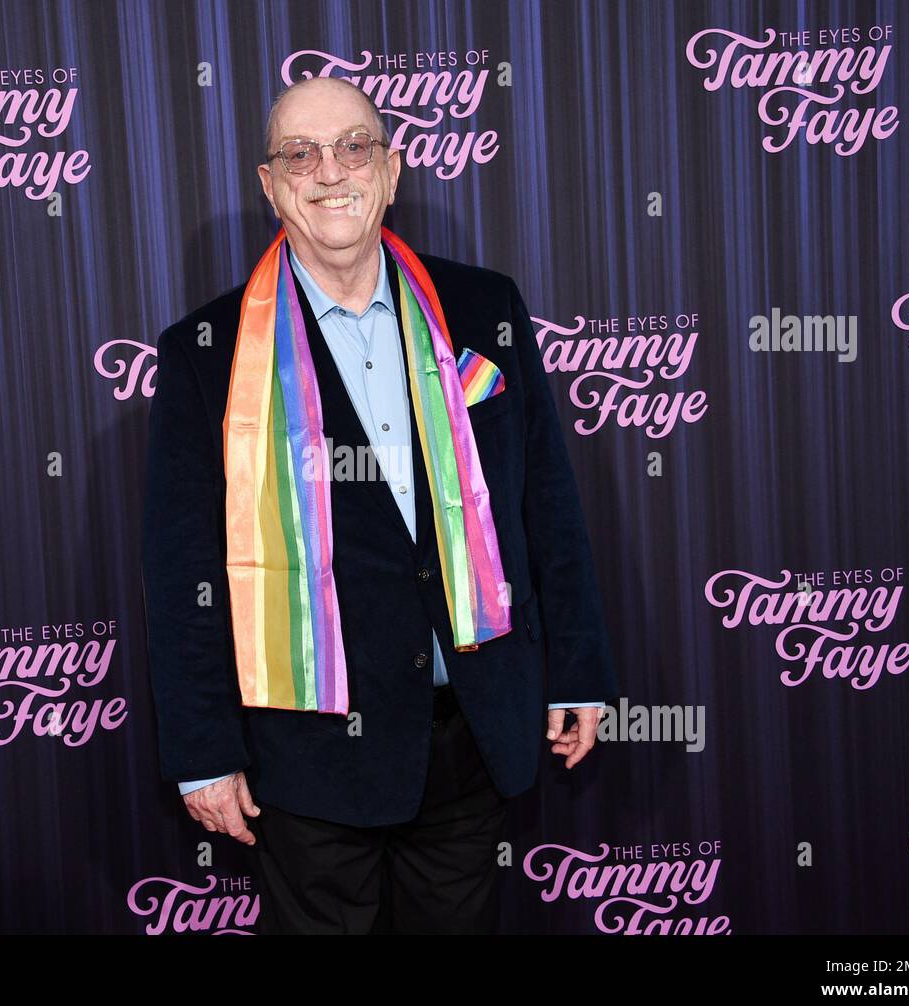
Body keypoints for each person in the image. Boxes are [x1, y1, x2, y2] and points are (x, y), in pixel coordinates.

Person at [141, 76, 617, 934]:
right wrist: (202, 751)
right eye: (301, 153)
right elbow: (184, 573)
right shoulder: (205, 355)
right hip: (306, 756)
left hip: (470, 730)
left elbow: (546, 504)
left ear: (391, 170)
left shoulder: (486, 307)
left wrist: (578, 666)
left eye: (354, 146)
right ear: (271, 183)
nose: (331, 171)